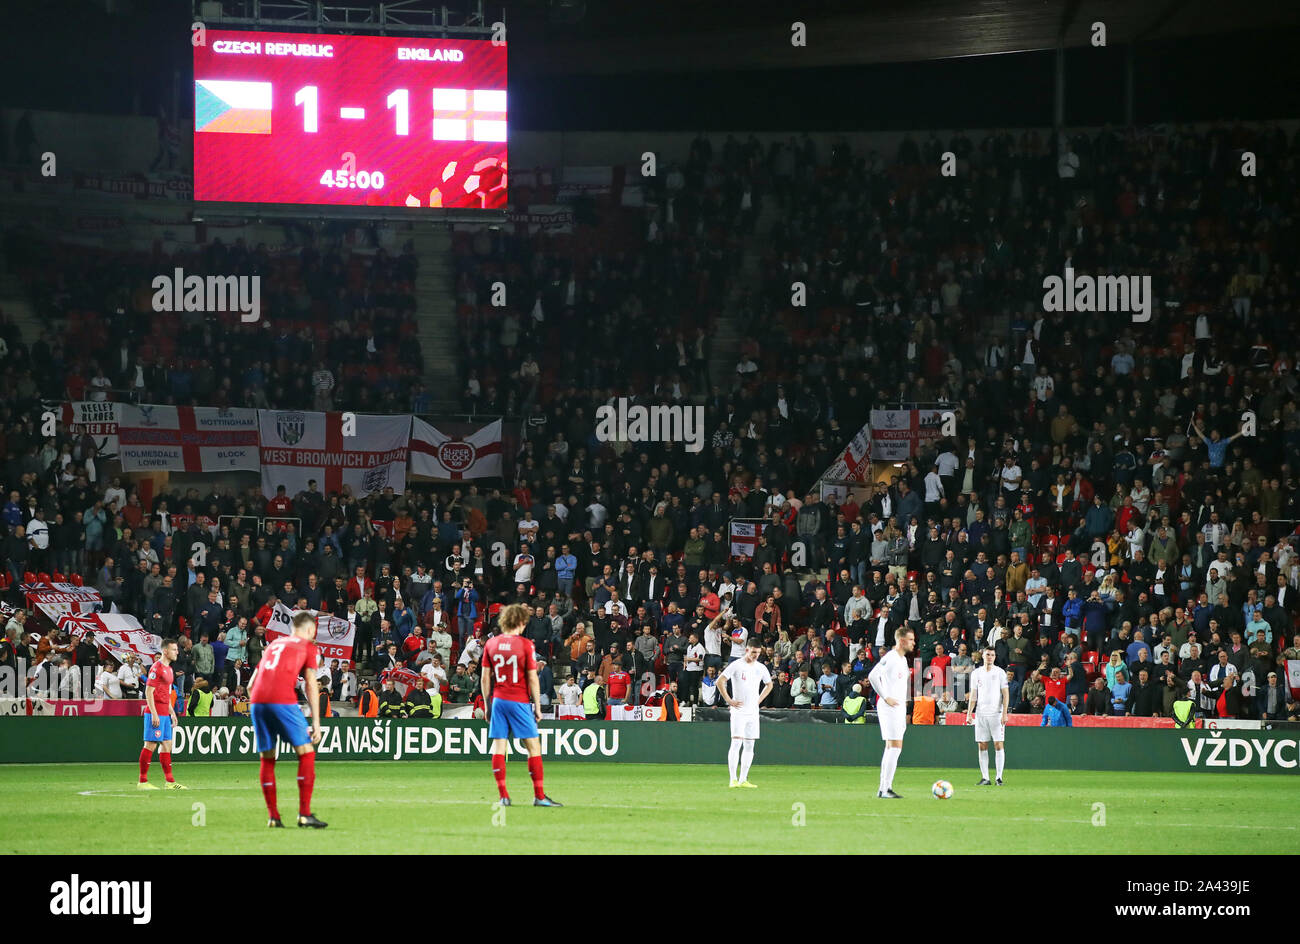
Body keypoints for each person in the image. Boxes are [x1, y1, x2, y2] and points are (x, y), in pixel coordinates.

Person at [248, 611, 327, 828]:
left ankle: (273, 817)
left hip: (257, 701)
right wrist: (316, 722)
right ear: (310, 630)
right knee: (306, 752)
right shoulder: (308, 647)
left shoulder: (273, 645)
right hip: (282, 700)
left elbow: (250, 685)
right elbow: (310, 683)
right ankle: (304, 814)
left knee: (267, 758)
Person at [481, 603, 562, 807]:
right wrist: (537, 706)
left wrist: (488, 704)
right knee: (533, 747)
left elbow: (484, 678)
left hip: (498, 700)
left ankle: (503, 796)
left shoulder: (491, 644)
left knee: (499, 747)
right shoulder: (526, 644)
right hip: (518, 700)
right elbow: (533, 678)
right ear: (520, 621)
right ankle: (539, 796)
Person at [717, 639, 774, 788]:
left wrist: (759, 700)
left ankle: (743, 779)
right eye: (754, 652)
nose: (756, 655)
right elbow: (720, 681)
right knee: (736, 743)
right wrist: (729, 700)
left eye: (758, 653)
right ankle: (732, 779)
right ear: (747, 650)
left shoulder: (761, 668)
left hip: (753, 712)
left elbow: (769, 684)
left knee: (750, 745)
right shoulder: (736, 665)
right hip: (739, 711)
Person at [867, 625, 915, 798]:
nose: (913, 643)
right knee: (894, 747)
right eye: (911, 639)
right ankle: (884, 788)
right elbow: (873, 676)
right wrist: (885, 696)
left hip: (899, 706)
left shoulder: (902, 660)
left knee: (893, 747)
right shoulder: (892, 657)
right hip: (890, 707)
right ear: (902, 641)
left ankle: (885, 787)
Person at [138, 639, 184, 790]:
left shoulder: (169, 669)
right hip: (155, 713)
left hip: (165, 713)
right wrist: (154, 714)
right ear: (166, 651)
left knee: (167, 745)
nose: (177, 652)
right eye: (174, 649)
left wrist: (172, 712)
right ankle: (142, 782)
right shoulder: (156, 668)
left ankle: (170, 782)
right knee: (150, 745)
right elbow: (148, 692)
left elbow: (165, 693)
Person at [967, 647, 1008, 786]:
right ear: (982, 656)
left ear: (995, 657)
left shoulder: (1000, 672)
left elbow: (1005, 694)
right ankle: (985, 777)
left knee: (998, 744)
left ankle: (999, 777)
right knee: (982, 745)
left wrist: (1004, 713)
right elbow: (973, 695)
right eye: (987, 654)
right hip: (980, 713)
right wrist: (969, 713)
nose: (990, 657)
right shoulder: (976, 673)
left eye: (992, 655)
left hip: (996, 714)